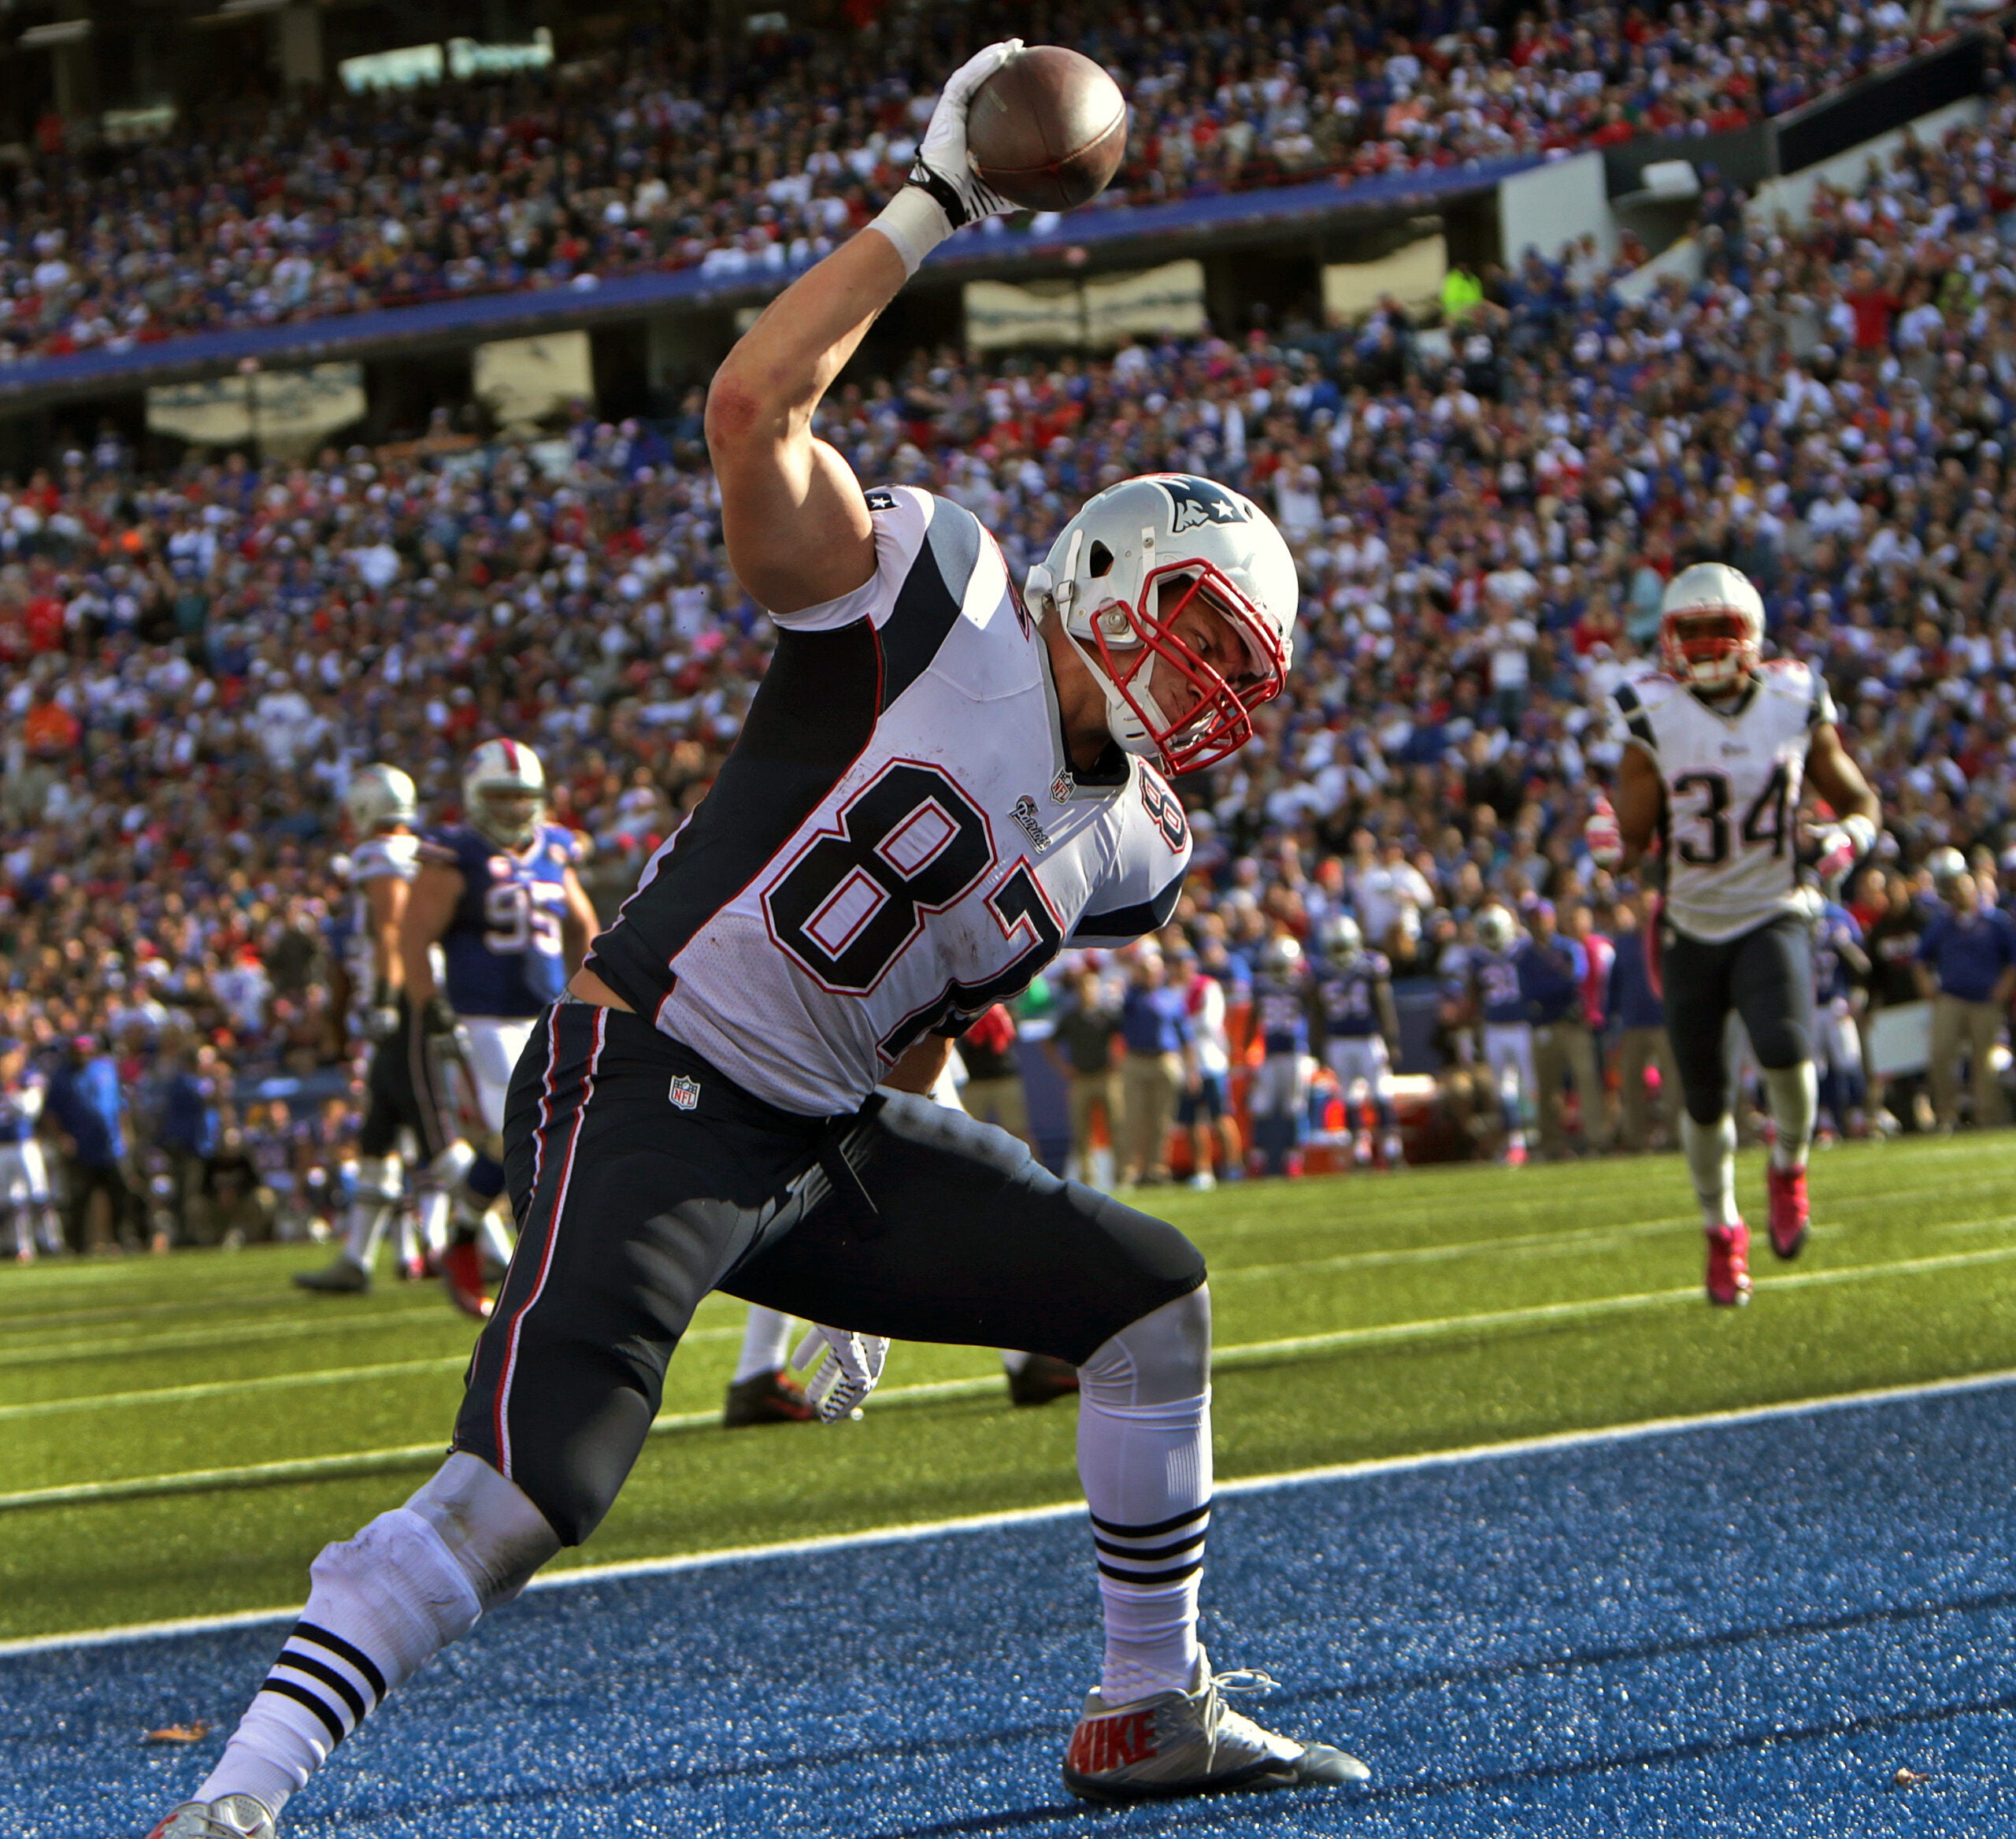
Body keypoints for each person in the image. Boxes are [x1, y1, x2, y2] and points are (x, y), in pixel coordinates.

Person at [141, 45, 1363, 1839]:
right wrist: (932, 198)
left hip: (809, 1131)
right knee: (525, 1486)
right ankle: (236, 1799)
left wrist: (930, 1159)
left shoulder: (1131, 846)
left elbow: (942, 998)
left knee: (1144, 1296)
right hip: (647, 1074)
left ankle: (1141, 1707)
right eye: (1188, 639)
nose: (1200, 694)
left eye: (1230, 678)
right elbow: (747, 412)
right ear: (1098, 579)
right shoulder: (935, 589)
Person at [1588, 562, 1881, 1304]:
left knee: (1787, 1049)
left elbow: (1860, 798)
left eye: (1722, 629)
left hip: (1774, 907)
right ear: (1669, 639)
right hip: (1690, 922)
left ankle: (1787, 1164)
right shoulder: (1651, 712)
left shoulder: (1793, 699)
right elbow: (1634, 839)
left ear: (1751, 636)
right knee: (1706, 1097)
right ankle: (1722, 1230)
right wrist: (1609, 847)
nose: (1709, 645)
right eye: (1693, 630)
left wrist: (1848, 833)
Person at [398, 740, 601, 1318]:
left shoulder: (553, 850)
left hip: (547, 1015)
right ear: (474, 796)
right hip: (481, 1017)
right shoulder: (454, 853)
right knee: (521, 1132)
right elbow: (415, 936)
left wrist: (591, 992)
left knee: (531, 1136)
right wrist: (427, 1003)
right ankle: (533, 1264)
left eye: (522, 795)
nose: (513, 806)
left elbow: (581, 925)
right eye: (501, 795)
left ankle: (465, 1235)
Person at [295, 766, 426, 1295]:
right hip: (420, 1000)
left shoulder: (380, 855)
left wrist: (386, 999)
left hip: (404, 1006)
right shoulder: (423, 853)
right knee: (381, 1134)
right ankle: (360, 1257)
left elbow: (391, 929)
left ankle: (484, 1244)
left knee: (436, 1140)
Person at [1915, 855, 2016, 1130]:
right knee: (1941, 1054)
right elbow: (1921, 958)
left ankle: (1988, 1117)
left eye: (1965, 887)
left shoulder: (1996, 922)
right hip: (1951, 997)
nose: (1961, 893)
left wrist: (2004, 988)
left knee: (1984, 1062)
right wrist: (1926, 983)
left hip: (1986, 999)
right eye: (1956, 889)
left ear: (1975, 889)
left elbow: (2012, 960)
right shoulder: (1942, 923)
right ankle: (1946, 1116)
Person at [1311, 914, 1403, 1168]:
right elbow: (1317, 1013)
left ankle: (1391, 1149)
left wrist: (1391, 1038)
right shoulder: (1323, 972)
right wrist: (1318, 1047)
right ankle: (1361, 1151)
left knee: (1380, 1094)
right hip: (1340, 1040)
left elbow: (1383, 1005)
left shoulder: (1369, 967)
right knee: (1350, 1098)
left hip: (1366, 1039)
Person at [1521, 900, 1606, 1160]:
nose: (1540, 924)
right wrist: (1555, 984)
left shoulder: (1568, 948)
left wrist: (1550, 987)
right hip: (1544, 1025)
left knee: (1586, 1079)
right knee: (1547, 1087)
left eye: (1544, 918)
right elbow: (1528, 989)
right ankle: (1552, 1143)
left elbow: (1575, 979)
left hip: (1571, 1023)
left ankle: (1596, 1139)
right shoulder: (1526, 955)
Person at [1604, 892, 1674, 1152]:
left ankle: (1674, 1136)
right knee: (1631, 1083)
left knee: (1674, 1082)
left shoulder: (1667, 938)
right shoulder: (1624, 942)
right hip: (1632, 1022)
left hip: (1664, 1021)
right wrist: (1612, 1017)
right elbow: (1615, 983)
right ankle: (1636, 1139)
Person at [1118, 948, 1193, 1186]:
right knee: (1133, 1118)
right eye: (1145, 970)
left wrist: (1191, 1069)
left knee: (1162, 1120)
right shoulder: (1131, 996)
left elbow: (1186, 1037)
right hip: (1136, 1060)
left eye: (1153, 970)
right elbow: (1117, 1014)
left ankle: (1156, 1169)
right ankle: (1129, 1171)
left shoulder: (1172, 998)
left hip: (1164, 1060)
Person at [1468, 902, 1535, 1165]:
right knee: (1504, 1089)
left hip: (1521, 1026)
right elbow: (1474, 996)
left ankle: (1535, 1136)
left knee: (1530, 1085)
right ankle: (1516, 1141)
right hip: (1495, 1027)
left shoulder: (1522, 951)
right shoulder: (1477, 958)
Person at [1047, 964, 1121, 1186]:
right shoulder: (1070, 1018)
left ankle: (1123, 1174)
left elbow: (1121, 1037)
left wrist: (1117, 1060)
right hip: (1081, 1079)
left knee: (1117, 1126)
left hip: (1106, 1077)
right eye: (1083, 987)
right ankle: (1089, 1178)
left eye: (1091, 987)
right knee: (1081, 1131)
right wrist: (1063, 1067)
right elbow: (1050, 1043)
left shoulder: (1108, 1015)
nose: (1087, 991)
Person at [1246, 933, 1309, 1178]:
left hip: (1295, 1052)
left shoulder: (1303, 984)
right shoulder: (1261, 986)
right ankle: (1258, 1159)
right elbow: (1254, 1019)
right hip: (1269, 1054)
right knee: (1261, 1106)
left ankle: (1293, 1159)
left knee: (1294, 1107)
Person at [1809, 892, 1870, 1141]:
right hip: (1810, 1006)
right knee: (1815, 1068)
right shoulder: (1791, 923)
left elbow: (1862, 966)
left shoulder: (1839, 920)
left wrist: (1845, 945)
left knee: (1848, 1062)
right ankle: (1824, 1119)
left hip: (1836, 1004)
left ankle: (1856, 1115)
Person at [0, 1036, 60, 1261]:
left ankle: (51, 1241)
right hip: (2, 1146)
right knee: (10, 1200)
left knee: (39, 1193)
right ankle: (20, 1245)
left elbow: (31, 1109)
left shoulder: (28, 1077)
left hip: (24, 1143)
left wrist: (10, 1088)